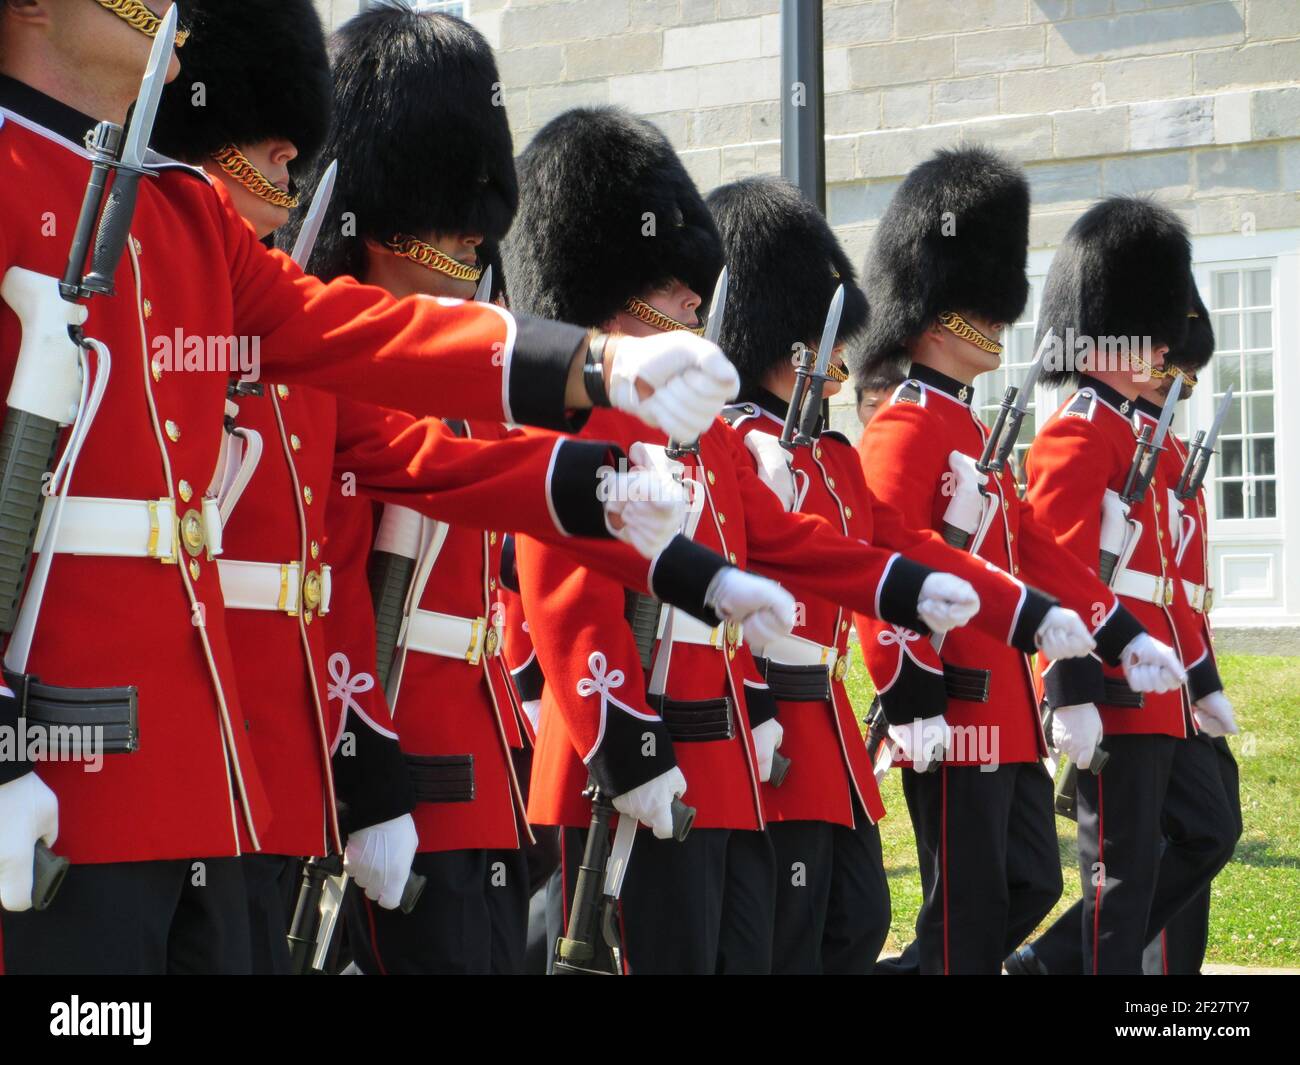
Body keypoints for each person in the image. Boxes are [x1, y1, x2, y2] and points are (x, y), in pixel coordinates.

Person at [0, 0, 736, 975]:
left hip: (189, 763)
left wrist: (593, 365)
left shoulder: (179, 212)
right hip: (53, 752)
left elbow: (361, 336)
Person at [506, 107, 1107, 975]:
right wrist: (627, 744)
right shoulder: (581, 418)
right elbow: (565, 596)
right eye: (677, 288)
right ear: (621, 285)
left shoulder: (703, 435)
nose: (693, 304)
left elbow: (794, 543)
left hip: (717, 764)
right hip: (627, 759)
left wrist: (911, 589)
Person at [847, 148, 1187, 975]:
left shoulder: (967, 430)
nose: (1000, 323)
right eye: (983, 307)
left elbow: (1032, 547)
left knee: (1027, 885)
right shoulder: (904, 424)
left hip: (1001, 709)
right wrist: (904, 683)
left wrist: (1114, 630)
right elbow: (879, 559)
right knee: (967, 917)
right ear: (933, 314)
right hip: (950, 707)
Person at [1008, 197, 1239, 975]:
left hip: (1165, 687)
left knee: (1210, 831)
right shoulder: (1075, 431)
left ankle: (1049, 960)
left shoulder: (1143, 437)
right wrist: (1069, 688)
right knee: (1122, 872)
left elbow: (1170, 584)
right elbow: (1062, 572)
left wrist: (1201, 680)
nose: (1164, 349)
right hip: (1111, 682)